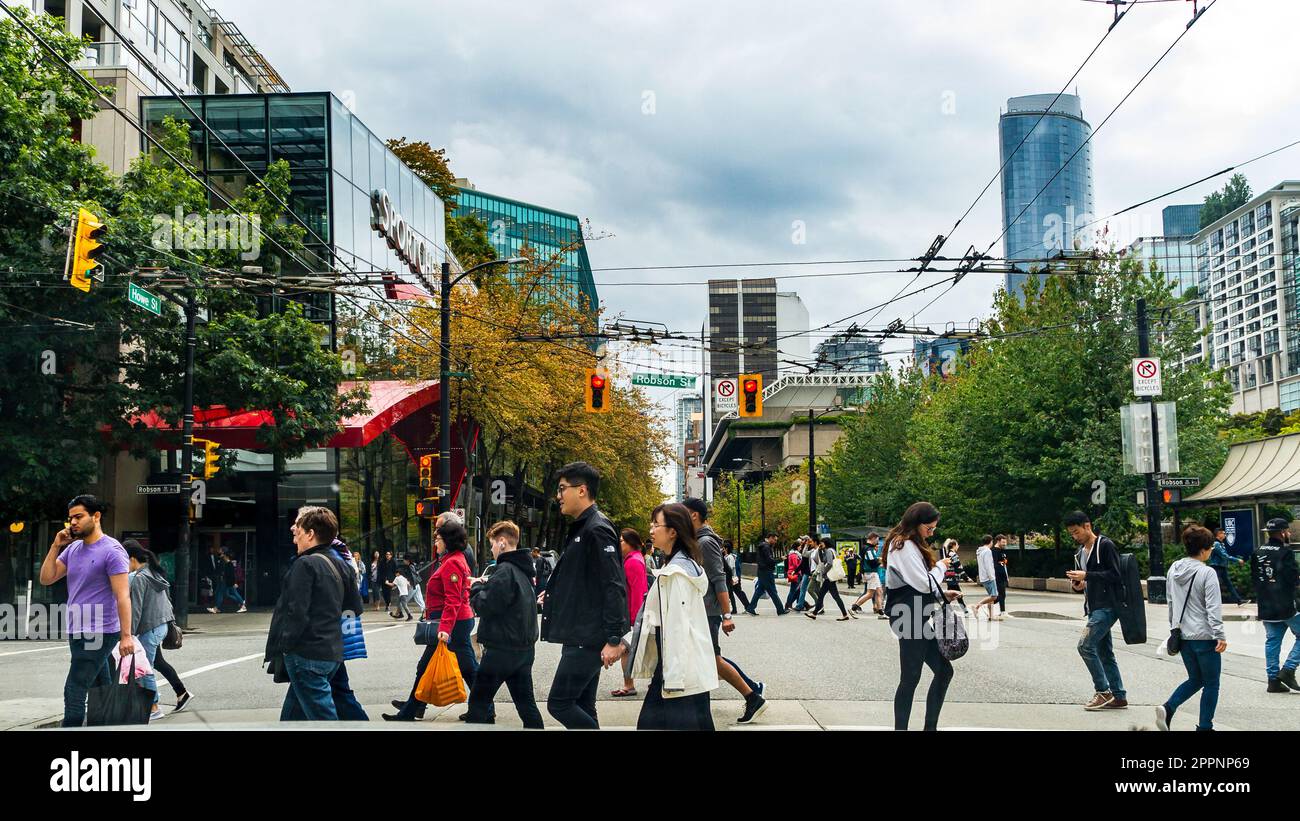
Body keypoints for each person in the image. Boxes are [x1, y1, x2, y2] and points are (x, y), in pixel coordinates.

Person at [538, 461, 628, 729]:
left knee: (560, 704)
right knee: (583, 705)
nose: (558, 495)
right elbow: (586, 582)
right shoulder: (582, 527)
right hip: (580, 633)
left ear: (582, 490)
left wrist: (614, 638)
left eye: (562, 488)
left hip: (587, 637)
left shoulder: (596, 528)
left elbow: (613, 584)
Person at [614, 503, 719, 730]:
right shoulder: (677, 566)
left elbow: (677, 628)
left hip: (677, 672)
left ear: (673, 532)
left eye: (656, 524)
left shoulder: (676, 574)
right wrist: (626, 642)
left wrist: (673, 681)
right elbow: (655, 617)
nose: (651, 530)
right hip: (681, 669)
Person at [40, 495, 135, 728]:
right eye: (71, 518)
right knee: (100, 686)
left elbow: (122, 595)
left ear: (96, 516)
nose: (73, 522)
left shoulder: (112, 550)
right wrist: (55, 546)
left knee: (75, 688)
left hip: (100, 630)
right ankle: (110, 725)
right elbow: (47, 578)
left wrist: (126, 635)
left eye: (79, 516)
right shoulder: (72, 549)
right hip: (77, 627)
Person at [266, 507, 362, 721]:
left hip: (307, 654)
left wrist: (286, 645)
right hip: (331, 653)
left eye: (298, 533)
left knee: (323, 719)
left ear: (310, 534)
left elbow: (295, 612)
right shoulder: (341, 563)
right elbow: (354, 608)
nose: (295, 540)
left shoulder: (305, 564)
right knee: (293, 717)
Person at [682, 498, 767, 723]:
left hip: (708, 611)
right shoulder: (699, 540)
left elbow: (719, 579)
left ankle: (752, 696)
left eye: (683, 513)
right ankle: (752, 691)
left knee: (712, 659)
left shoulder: (705, 542)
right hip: (704, 609)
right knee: (710, 659)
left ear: (693, 516)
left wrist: (727, 614)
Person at [384, 519, 478, 720]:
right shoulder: (452, 559)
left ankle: (485, 709)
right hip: (453, 621)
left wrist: (445, 628)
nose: (435, 542)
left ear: (448, 541)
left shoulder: (453, 562)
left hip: (453, 623)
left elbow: (453, 600)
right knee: (427, 667)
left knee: (467, 669)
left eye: (438, 539)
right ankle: (410, 711)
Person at [883, 502, 958, 731]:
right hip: (908, 616)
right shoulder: (903, 545)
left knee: (942, 671)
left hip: (914, 614)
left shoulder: (909, 544)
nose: (932, 532)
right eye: (930, 528)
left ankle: (928, 728)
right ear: (916, 524)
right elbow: (923, 583)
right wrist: (942, 567)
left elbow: (917, 583)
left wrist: (942, 593)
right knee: (911, 677)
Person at [461, 521, 544, 728]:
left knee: (478, 704)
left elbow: (485, 605)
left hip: (502, 649)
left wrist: (476, 586)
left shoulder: (505, 570)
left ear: (502, 543)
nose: (492, 549)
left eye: (492, 544)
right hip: (523, 649)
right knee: (526, 705)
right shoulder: (523, 570)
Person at [1155, 525, 1227, 732]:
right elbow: (1213, 607)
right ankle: (1205, 727)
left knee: (1196, 679)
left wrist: (1174, 628)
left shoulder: (1174, 568)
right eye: (1211, 547)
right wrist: (1220, 634)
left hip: (1183, 636)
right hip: (1205, 636)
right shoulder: (1207, 573)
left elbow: (1171, 602)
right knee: (1212, 683)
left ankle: (1168, 708)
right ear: (1204, 549)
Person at [1064, 510, 1128, 711]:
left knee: (1085, 646)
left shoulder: (1105, 545)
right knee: (1104, 652)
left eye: (1076, 532)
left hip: (1107, 607)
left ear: (1087, 526)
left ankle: (1103, 691)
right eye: (1071, 534)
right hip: (1093, 606)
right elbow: (1087, 580)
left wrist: (1087, 575)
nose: (1075, 537)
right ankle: (1118, 696)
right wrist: (1079, 584)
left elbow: (1115, 575)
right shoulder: (1080, 553)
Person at [124, 540, 174, 722]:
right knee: (144, 667)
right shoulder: (154, 572)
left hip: (149, 627)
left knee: (144, 669)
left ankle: (153, 707)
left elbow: (136, 609)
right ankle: (145, 703)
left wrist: (128, 634)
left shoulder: (139, 578)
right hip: (161, 625)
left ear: (131, 559)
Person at [1252, 518, 1300, 693]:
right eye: (1287, 531)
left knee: (1272, 641)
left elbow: (1254, 580)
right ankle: (1288, 669)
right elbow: (1293, 579)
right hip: (1285, 604)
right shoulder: (1285, 552)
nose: (1288, 534)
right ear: (1282, 533)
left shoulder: (1257, 552)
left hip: (1266, 604)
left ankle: (1273, 681)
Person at [613, 528, 649, 697]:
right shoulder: (633, 559)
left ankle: (629, 685)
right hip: (632, 613)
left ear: (631, 543)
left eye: (621, 541)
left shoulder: (633, 562)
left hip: (632, 614)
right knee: (627, 650)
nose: (619, 544)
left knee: (626, 650)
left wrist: (634, 618)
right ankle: (629, 684)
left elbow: (637, 592)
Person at [805, 536, 851, 620]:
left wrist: (823, 572)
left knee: (823, 595)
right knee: (834, 596)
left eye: (821, 543)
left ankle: (815, 613)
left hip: (829, 577)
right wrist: (819, 550)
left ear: (825, 543)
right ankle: (844, 614)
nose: (820, 544)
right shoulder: (829, 550)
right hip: (830, 578)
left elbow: (829, 563)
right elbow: (821, 560)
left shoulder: (829, 551)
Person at [745, 533, 786, 616]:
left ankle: (750, 608)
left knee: (760, 590)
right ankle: (780, 610)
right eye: (774, 540)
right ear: (770, 538)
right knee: (772, 591)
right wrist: (780, 559)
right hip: (766, 572)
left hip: (762, 571)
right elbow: (769, 560)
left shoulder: (763, 546)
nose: (775, 542)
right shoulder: (766, 547)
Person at [851, 532, 885, 617]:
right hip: (872, 573)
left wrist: (878, 560)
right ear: (873, 538)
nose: (877, 542)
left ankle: (881, 612)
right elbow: (872, 562)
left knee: (879, 591)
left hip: (869, 572)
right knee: (870, 594)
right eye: (877, 540)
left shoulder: (864, 548)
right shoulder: (869, 549)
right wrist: (881, 562)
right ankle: (853, 608)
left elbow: (865, 559)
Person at [1208, 528, 1245, 605]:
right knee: (1214, 584)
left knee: (1228, 584)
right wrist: (1237, 560)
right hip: (1216, 567)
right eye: (1223, 533)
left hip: (1222, 567)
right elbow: (1224, 556)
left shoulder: (1221, 544)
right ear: (1219, 534)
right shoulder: (1216, 544)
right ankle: (1208, 601)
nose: (1225, 535)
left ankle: (1239, 600)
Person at [972, 535, 1000, 620]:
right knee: (994, 596)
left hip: (983, 576)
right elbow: (988, 565)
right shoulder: (987, 551)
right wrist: (992, 577)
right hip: (989, 577)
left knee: (990, 597)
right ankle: (977, 606)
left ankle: (991, 616)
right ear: (991, 541)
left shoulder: (980, 551)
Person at [723, 541, 751, 615]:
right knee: (734, 593)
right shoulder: (731, 556)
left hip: (732, 578)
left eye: (723, 548)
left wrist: (731, 578)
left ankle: (746, 607)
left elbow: (731, 568)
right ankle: (744, 607)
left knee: (736, 592)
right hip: (733, 577)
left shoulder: (730, 557)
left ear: (726, 548)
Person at [781, 541, 805, 612]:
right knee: (793, 590)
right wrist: (801, 569)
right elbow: (795, 565)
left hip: (794, 573)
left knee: (797, 590)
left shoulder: (793, 554)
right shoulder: (794, 555)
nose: (801, 548)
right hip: (795, 574)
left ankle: (800, 604)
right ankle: (788, 605)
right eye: (800, 546)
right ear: (797, 547)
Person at [992, 534, 1010, 618]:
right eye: (1003, 542)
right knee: (1001, 594)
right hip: (997, 576)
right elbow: (995, 564)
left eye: (1005, 542)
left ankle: (998, 610)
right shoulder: (994, 551)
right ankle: (1002, 611)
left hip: (1003, 575)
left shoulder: (1002, 551)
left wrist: (1006, 576)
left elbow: (1004, 564)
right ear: (998, 541)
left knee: (1002, 594)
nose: (1004, 544)